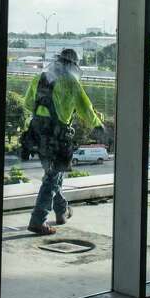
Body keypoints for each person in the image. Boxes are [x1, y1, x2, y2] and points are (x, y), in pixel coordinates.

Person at [20, 48, 102, 235]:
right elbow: (86, 110)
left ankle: (61, 210)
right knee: (52, 178)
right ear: (74, 65)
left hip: (37, 135)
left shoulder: (39, 78)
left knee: (54, 176)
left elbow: (27, 104)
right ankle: (38, 220)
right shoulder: (71, 83)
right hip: (58, 138)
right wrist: (99, 127)